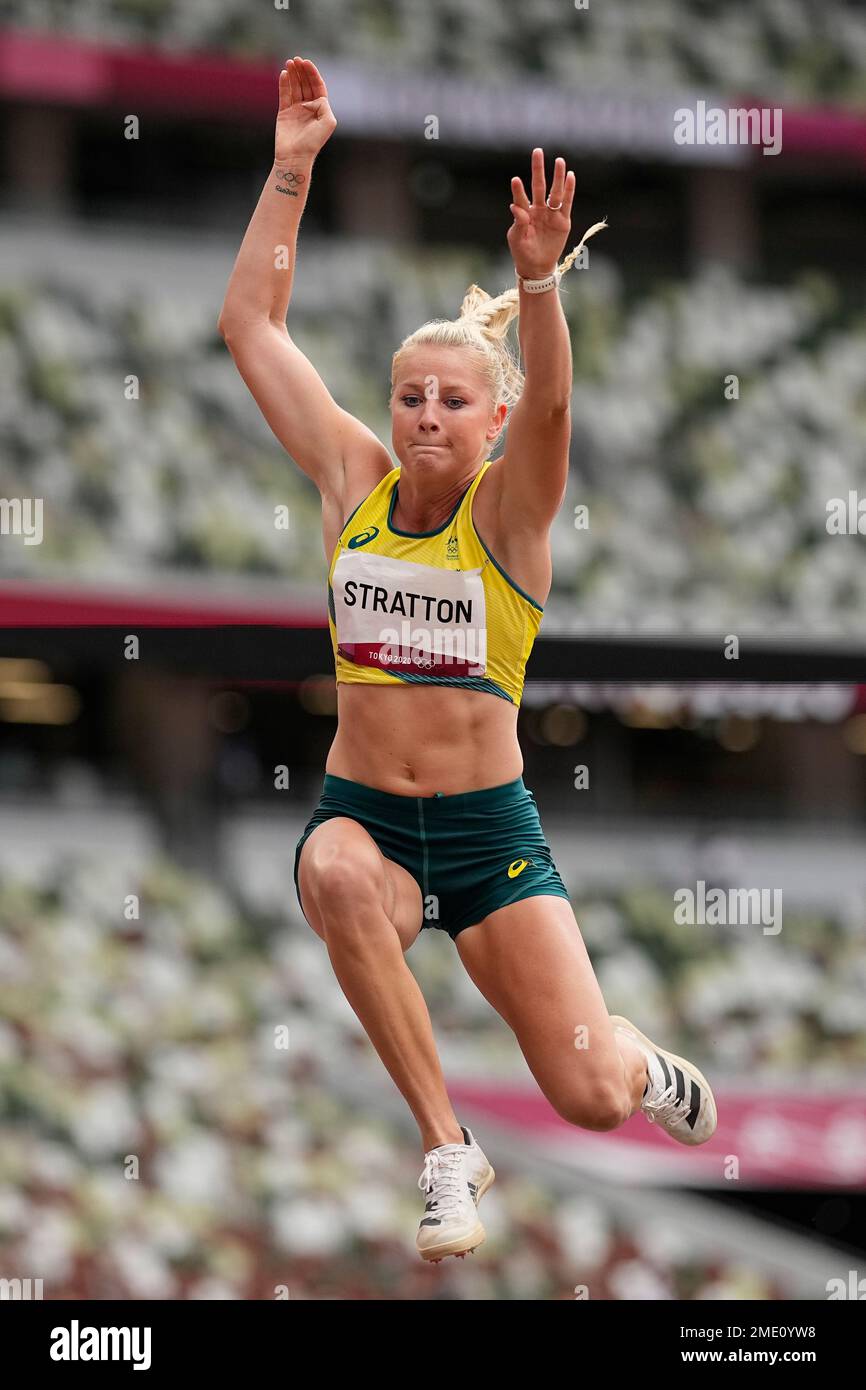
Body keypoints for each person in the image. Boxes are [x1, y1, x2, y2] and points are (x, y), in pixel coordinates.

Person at [218, 56, 717, 1265]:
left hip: (491, 836)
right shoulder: (354, 488)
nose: (423, 417)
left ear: (485, 420)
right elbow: (249, 326)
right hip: (371, 824)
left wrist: (536, 286)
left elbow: (550, 407)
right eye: (406, 398)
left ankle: (638, 1054)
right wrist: (291, 167)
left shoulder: (512, 518)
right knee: (332, 872)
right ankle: (446, 1148)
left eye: (449, 400)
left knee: (590, 1094)